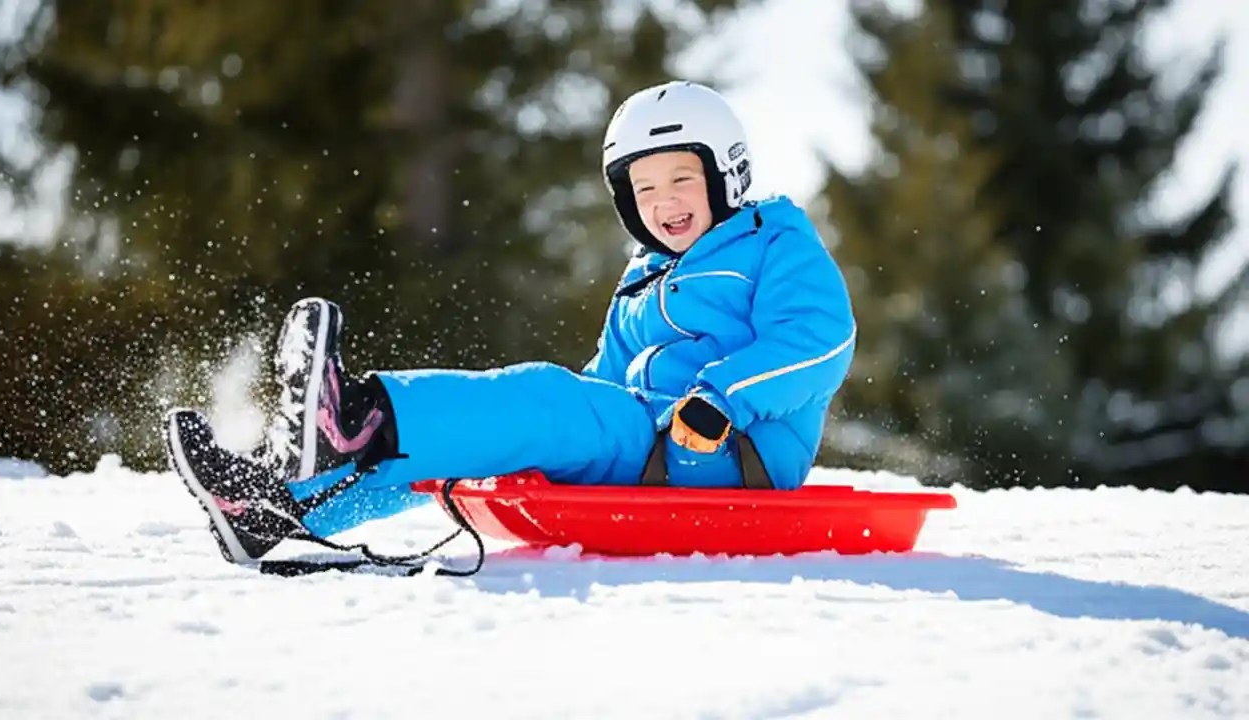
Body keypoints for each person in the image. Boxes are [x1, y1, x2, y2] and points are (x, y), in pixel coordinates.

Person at [165, 80, 857, 565]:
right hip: (647, 435)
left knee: (547, 403)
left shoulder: (776, 243)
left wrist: (719, 401)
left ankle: (359, 414)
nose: (662, 201)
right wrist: (551, 421)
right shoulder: (644, 275)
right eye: (643, 188)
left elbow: (819, 340)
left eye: (680, 179)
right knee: (492, 434)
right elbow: (605, 387)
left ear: (726, 173)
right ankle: (272, 507)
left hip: (725, 454)